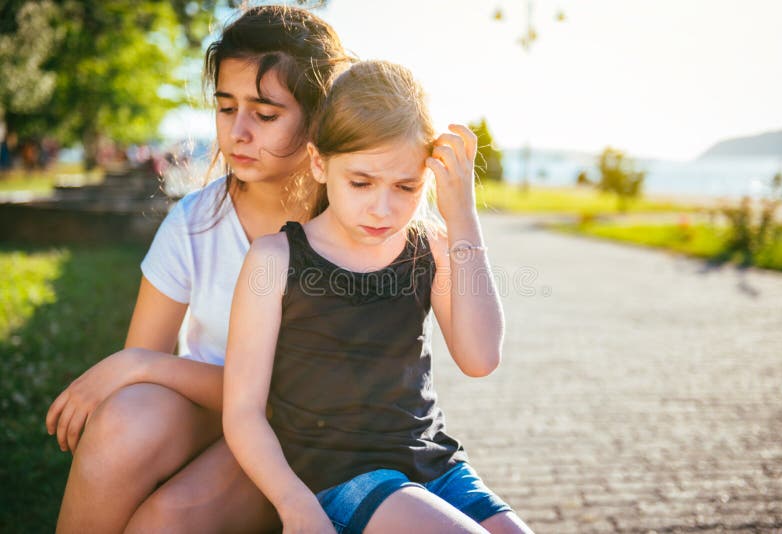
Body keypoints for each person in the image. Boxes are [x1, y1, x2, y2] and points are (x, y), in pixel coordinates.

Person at [44, 6, 350, 532]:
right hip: (210, 413)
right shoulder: (194, 221)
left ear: (319, 115)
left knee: (162, 524)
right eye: (226, 108)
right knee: (121, 421)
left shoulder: (347, 226)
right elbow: (144, 371)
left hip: (302, 433)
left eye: (266, 113)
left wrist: (137, 364)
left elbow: (294, 396)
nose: (238, 131)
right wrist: (138, 368)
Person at [223, 60, 534, 534]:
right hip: (339, 475)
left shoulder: (429, 246)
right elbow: (243, 411)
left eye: (406, 187)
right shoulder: (276, 258)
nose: (383, 208)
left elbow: (480, 357)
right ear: (320, 163)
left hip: (436, 466)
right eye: (362, 182)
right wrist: (293, 503)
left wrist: (462, 219)